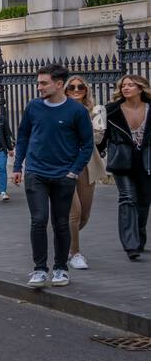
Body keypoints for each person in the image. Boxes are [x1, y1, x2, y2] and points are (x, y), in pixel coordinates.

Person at [13, 63, 94, 287]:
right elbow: (23, 138)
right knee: (38, 221)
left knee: (61, 223)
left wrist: (73, 171)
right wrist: (18, 166)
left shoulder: (77, 111)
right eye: (39, 82)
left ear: (59, 84)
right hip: (36, 173)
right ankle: (39, 270)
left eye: (43, 83)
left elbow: (86, 145)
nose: (38, 87)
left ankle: (60, 268)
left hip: (63, 176)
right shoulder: (33, 107)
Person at [99, 74, 151, 261]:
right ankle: (131, 245)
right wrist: (98, 150)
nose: (126, 88)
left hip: (147, 162)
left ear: (141, 88)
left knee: (144, 202)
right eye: (123, 86)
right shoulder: (111, 111)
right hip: (122, 161)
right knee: (128, 198)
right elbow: (101, 138)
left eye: (131, 85)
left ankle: (139, 237)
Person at [63, 77, 105, 270]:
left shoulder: (97, 111)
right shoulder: (59, 109)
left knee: (84, 216)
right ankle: (74, 252)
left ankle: (62, 239)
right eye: (72, 87)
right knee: (74, 212)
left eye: (80, 87)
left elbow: (97, 137)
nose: (76, 89)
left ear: (86, 90)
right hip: (64, 165)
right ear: (65, 90)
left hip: (88, 165)